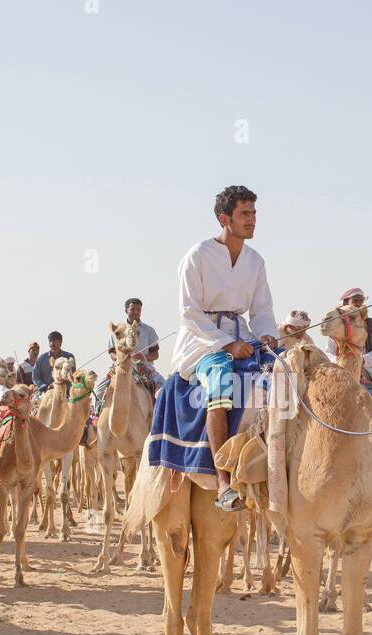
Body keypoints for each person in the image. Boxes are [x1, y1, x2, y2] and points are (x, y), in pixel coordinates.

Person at [169, 184, 278, 511]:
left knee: (285, 374)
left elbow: (262, 311)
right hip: (202, 342)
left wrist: (268, 337)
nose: (253, 220)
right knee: (221, 381)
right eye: (245, 213)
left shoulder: (255, 261)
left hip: (244, 335)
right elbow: (189, 312)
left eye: (254, 213)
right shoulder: (198, 255)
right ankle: (224, 483)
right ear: (224, 218)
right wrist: (226, 345)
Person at [325, 287, 372, 411]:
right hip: (340, 368)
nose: (359, 303)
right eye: (355, 300)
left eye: (361, 300)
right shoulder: (336, 326)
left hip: (366, 367)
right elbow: (329, 352)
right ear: (345, 303)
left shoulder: (371, 324)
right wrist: (340, 362)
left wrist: (362, 361)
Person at [95, 298, 166, 408]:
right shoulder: (118, 330)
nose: (136, 312)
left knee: (165, 389)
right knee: (100, 389)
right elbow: (112, 353)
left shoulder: (149, 330)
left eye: (138, 309)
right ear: (126, 311)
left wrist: (142, 357)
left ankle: (161, 421)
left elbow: (155, 355)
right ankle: (97, 418)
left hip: (144, 368)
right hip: (120, 366)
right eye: (132, 309)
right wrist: (122, 357)